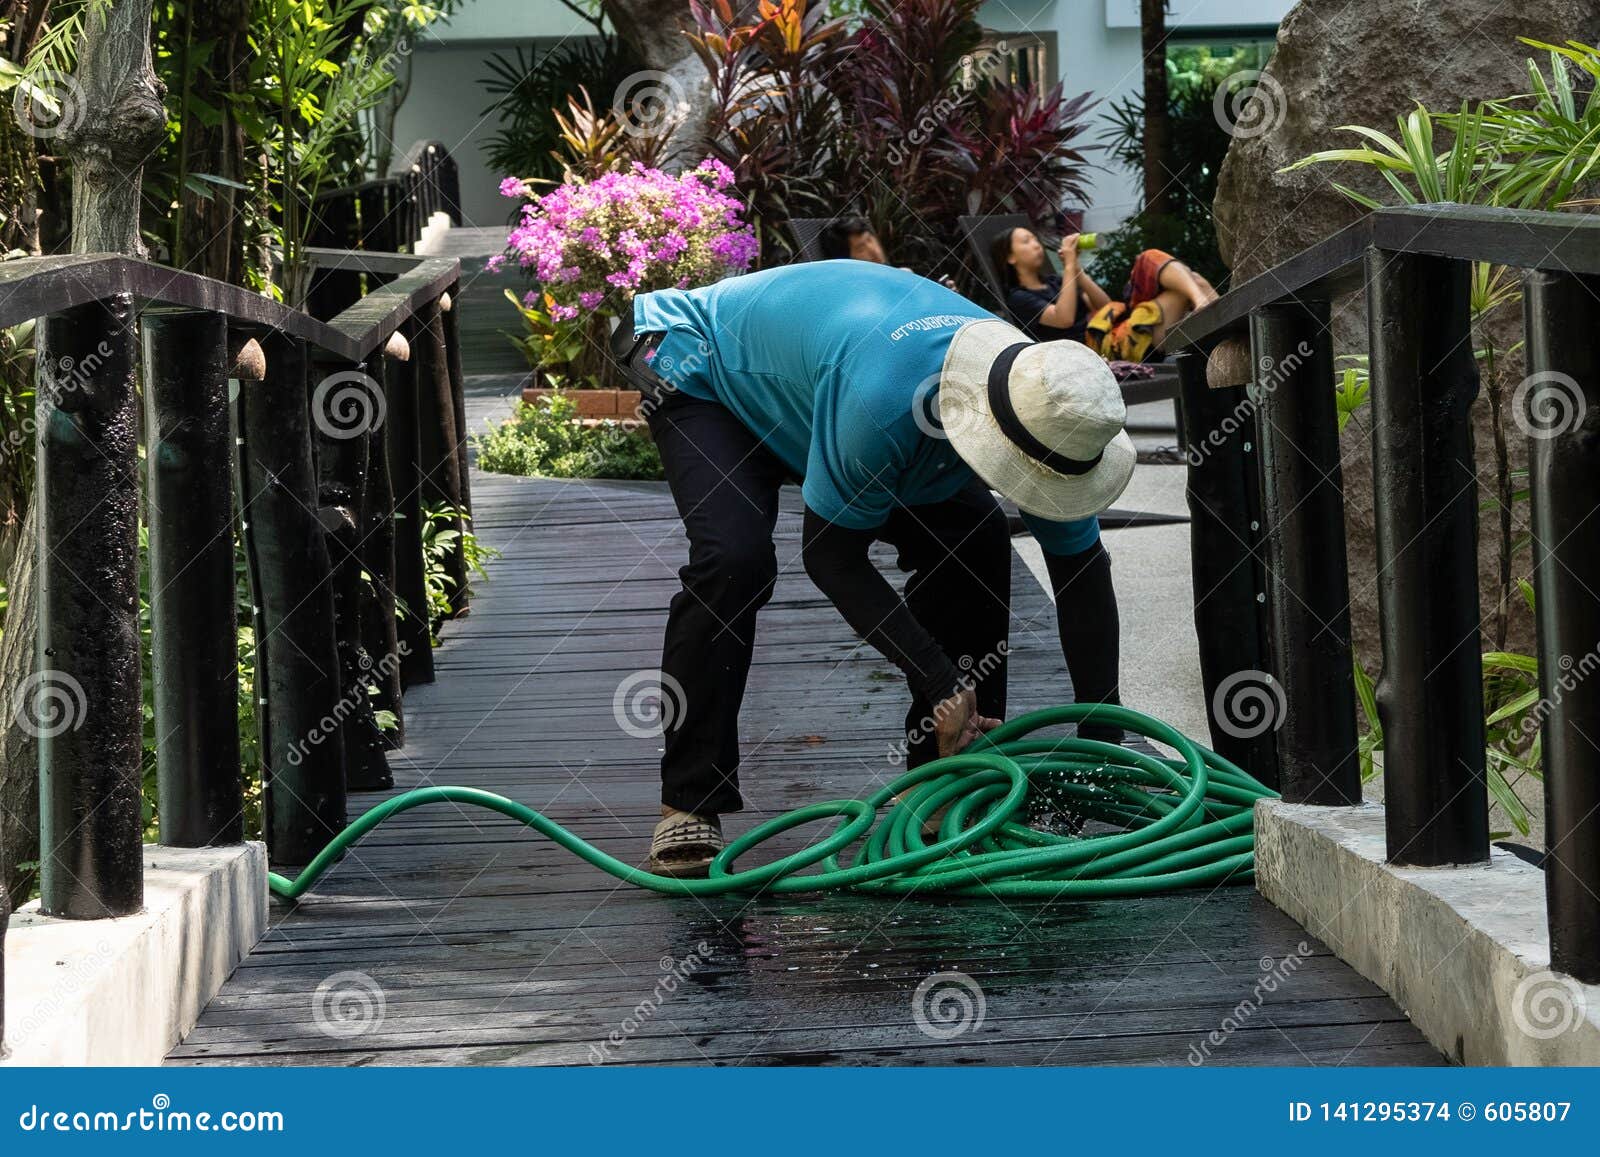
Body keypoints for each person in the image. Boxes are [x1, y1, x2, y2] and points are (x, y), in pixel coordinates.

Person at [624, 261, 1134, 875]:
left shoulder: (1046, 400)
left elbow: (1081, 576)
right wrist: (943, 682)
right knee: (734, 559)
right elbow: (832, 557)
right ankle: (689, 800)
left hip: (821, 387)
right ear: (990, 431)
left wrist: (1103, 746)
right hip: (704, 368)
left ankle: (945, 780)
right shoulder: (886, 400)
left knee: (974, 537)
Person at [992, 226, 1218, 363]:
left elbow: (1103, 306)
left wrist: (1077, 269)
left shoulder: (1056, 282)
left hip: (1120, 330)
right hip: (1109, 348)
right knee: (1180, 285)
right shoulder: (1018, 298)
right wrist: (1070, 265)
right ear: (1010, 258)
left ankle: (1212, 313)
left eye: (1034, 238)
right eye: (1026, 241)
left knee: (1187, 277)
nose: (1036, 244)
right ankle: (1213, 316)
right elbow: (1064, 318)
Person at [818, 216, 959, 290]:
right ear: (847, 259)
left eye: (870, 240)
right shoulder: (859, 292)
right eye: (861, 248)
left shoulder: (898, 274)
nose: (873, 250)